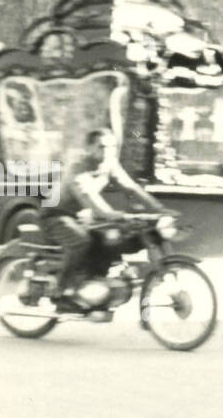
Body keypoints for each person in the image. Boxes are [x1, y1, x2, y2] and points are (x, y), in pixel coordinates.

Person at [44, 127, 162, 307]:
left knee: (109, 240)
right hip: (54, 215)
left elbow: (131, 187)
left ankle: (92, 286)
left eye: (112, 148)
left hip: (79, 216)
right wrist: (115, 215)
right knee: (80, 241)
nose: (108, 152)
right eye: (102, 147)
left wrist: (160, 209)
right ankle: (60, 291)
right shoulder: (78, 168)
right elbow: (91, 200)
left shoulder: (109, 164)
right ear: (89, 148)